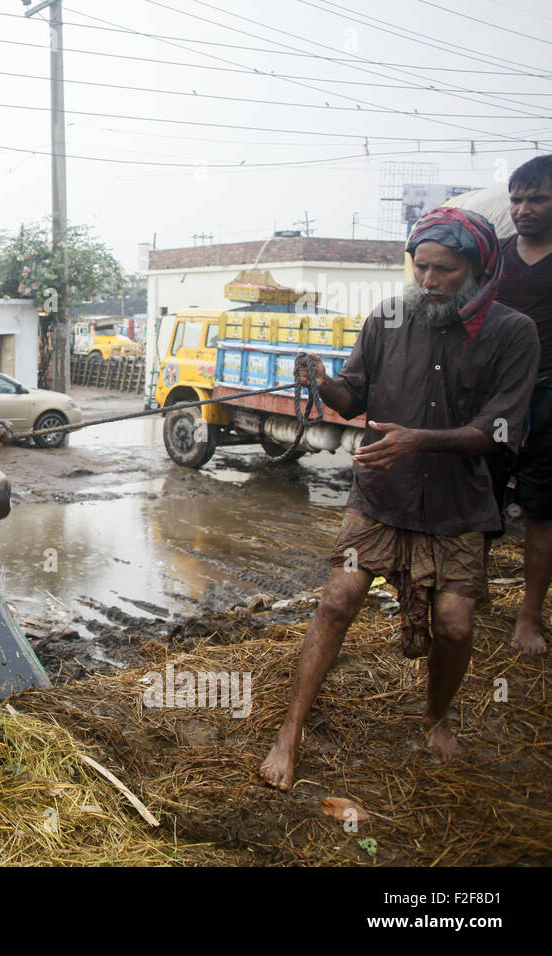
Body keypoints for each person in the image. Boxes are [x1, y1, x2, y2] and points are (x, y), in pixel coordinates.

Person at [259, 207, 538, 791]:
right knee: (338, 600)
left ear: (481, 268)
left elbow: (501, 429)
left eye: (446, 269)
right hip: (381, 494)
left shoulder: (513, 332)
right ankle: (289, 733)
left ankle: (436, 719)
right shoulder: (386, 318)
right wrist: (322, 381)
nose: (429, 281)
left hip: (458, 502)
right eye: (421, 267)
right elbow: (352, 395)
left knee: (456, 625)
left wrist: (419, 440)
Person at [497, 155, 552, 656]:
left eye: (537, 198)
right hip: (493, 397)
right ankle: (464, 600)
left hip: (549, 396)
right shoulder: (493, 256)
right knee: (478, 500)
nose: (523, 209)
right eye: (516, 199)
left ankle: (529, 616)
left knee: (541, 510)